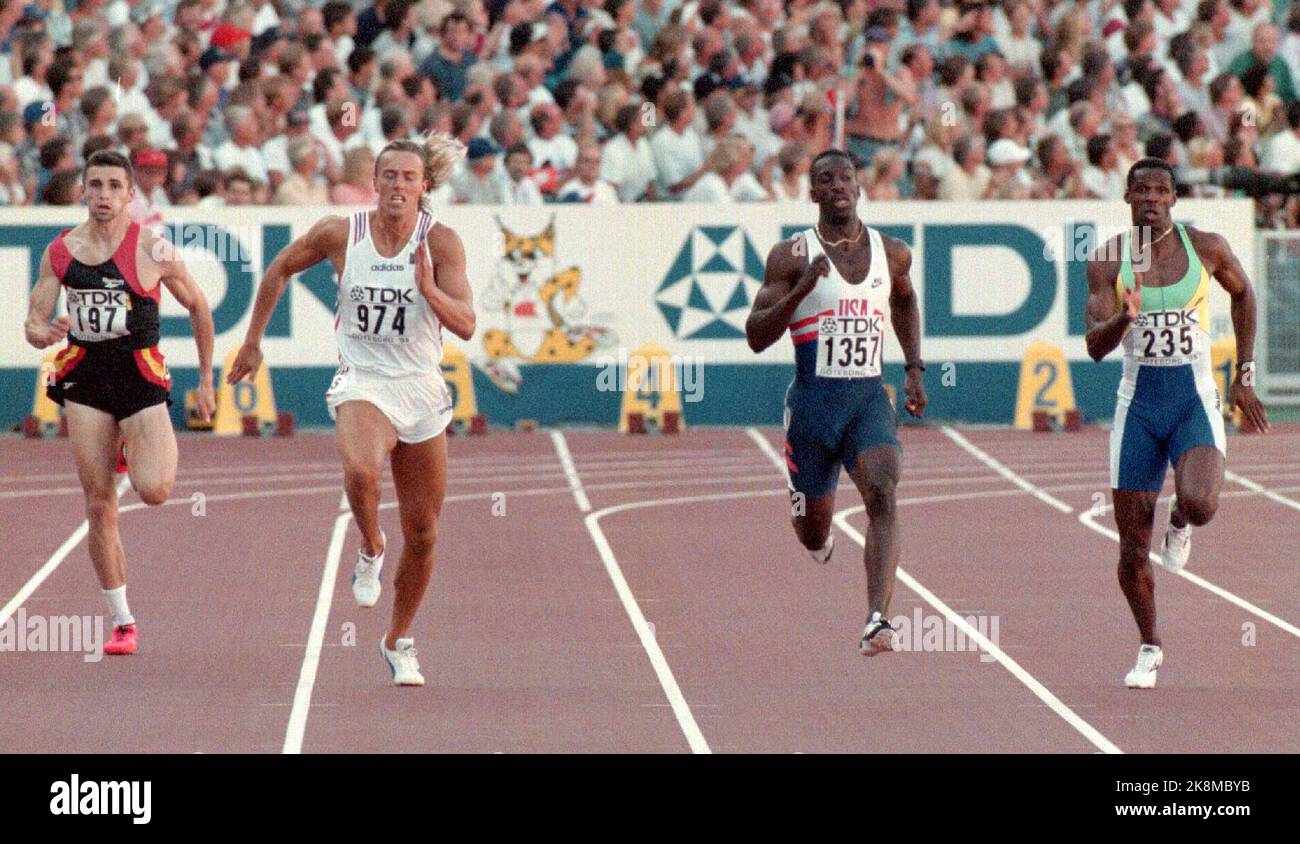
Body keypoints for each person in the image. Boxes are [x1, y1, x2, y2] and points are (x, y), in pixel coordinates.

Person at [227, 134, 476, 687]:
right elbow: (278, 269)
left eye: (408, 178)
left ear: (424, 188)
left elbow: (466, 323)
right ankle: (369, 545)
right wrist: (252, 342)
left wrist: (427, 291)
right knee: (362, 469)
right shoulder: (342, 233)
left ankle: (399, 640)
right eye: (388, 176)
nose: (397, 187)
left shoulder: (443, 243)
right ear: (375, 183)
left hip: (420, 386)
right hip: (364, 378)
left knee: (427, 533)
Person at [1085, 157, 1270, 689]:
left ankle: (1181, 523)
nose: (1149, 198)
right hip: (1137, 407)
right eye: (1139, 190)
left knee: (1201, 503)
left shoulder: (1204, 248)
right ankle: (1149, 644)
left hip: (1192, 399)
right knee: (1130, 547)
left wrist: (1245, 374)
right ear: (1125, 198)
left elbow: (1244, 293)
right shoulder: (1107, 261)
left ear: (1172, 199)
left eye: (1159, 190)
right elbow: (1095, 346)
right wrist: (1124, 316)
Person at [23, 149, 216, 656]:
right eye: (96, 185)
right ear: (83, 191)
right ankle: (123, 621)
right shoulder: (61, 251)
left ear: (131, 194)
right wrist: (44, 333)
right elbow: (34, 322)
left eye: (114, 186)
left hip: (138, 374)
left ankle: (133, 446)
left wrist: (205, 379)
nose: (104, 195)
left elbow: (197, 305)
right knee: (99, 504)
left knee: (154, 491)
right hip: (85, 376)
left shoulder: (151, 248)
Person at [745, 149, 926, 656]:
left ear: (859, 187)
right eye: (826, 179)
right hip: (811, 410)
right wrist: (802, 288)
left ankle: (877, 619)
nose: (838, 186)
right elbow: (756, 336)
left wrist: (914, 368)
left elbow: (905, 300)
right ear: (814, 194)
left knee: (884, 493)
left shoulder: (892, 253)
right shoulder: (791, 256)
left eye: (847, 177)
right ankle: (815, 532)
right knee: (812, 531)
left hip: (868, 399)